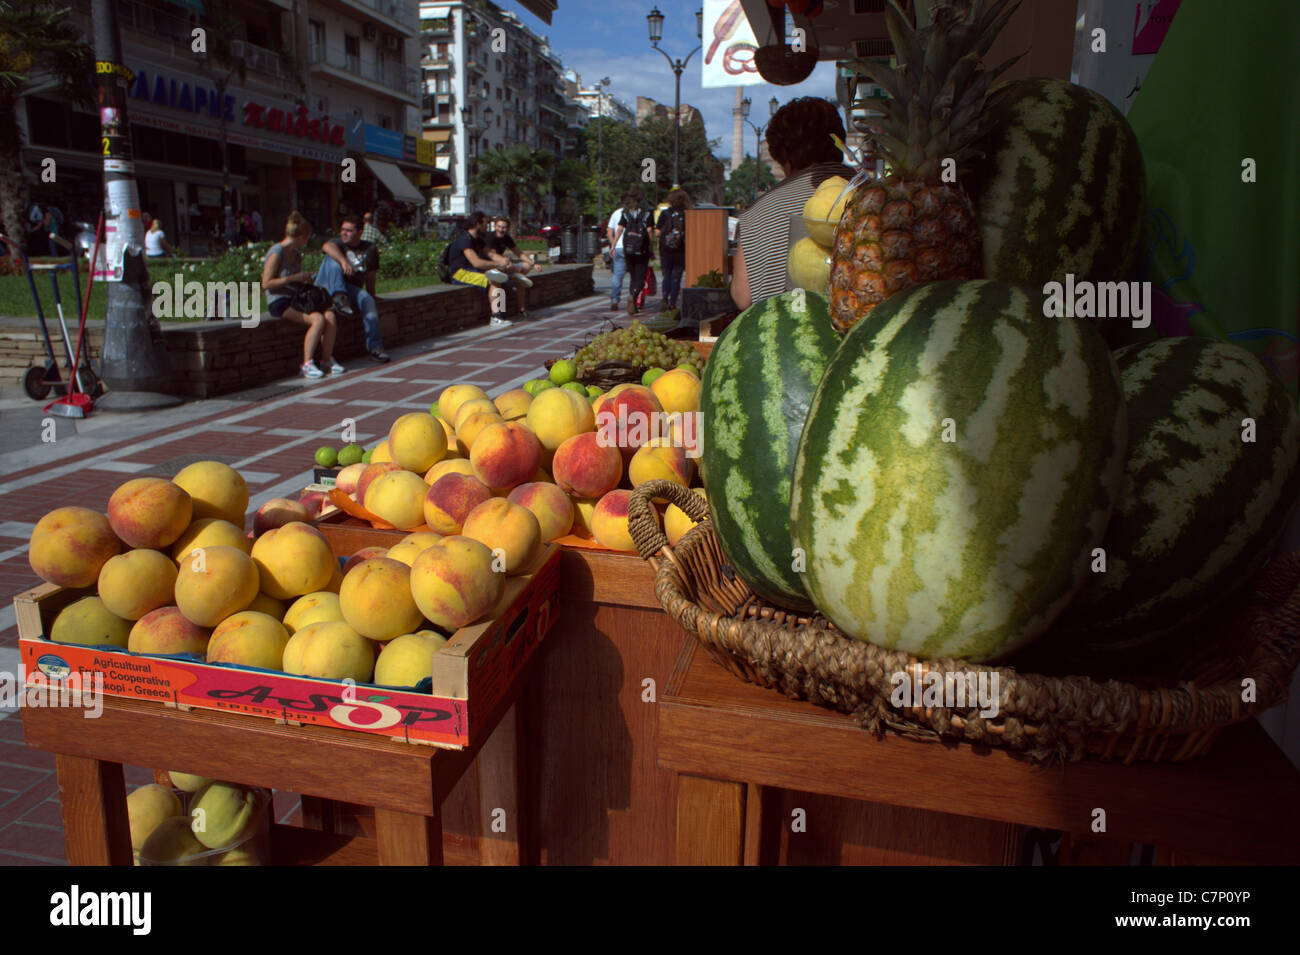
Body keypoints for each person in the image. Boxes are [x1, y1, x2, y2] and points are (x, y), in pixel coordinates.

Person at [731, 98, 856, 310]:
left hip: (780, 336)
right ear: (838, 142)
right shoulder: (874, 196)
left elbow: (744, 297)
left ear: (783, 156)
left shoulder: (759, 211)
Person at [261, 211, 342, 379]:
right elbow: (266, 283)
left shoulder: (297, 254)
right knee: (317, 320)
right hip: (279, 300)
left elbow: (294, 281)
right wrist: (293, 277)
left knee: (330, 316)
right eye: (307, 238)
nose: (307, 241)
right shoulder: (277, 252)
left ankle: (326, 360)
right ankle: (306, 363)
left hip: (296, 297)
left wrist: (303, 279)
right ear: (300, 236)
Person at [316, 214, 389, 362]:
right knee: (331, 258)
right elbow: (326, 246)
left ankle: (375, 348)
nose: (343, 233)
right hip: (326, 286)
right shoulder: (338, 243)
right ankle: (339, 297)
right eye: (342, 229)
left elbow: (370, 276)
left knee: (368, 301)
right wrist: (343, 261)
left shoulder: (370, 249)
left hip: (350, 289)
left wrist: (371, 295)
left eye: (349, 230)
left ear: (360, 232)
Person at [446, 211, 512, 327]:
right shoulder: (464, 239)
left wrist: (504, 261)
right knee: (495, 280)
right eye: (485, 224)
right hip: (460, 273)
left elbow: (491, 255)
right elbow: (476, 263)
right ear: (478, 224)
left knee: (500, 275)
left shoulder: (477, 239)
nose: (487, 227)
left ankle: (499, 314)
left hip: (470, 271)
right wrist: (497, 265)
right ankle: (496, 317)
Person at [608, 187, 653, 314]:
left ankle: (624, 299)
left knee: (631, 275)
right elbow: (649, 231)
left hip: (627, 248)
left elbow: (619, 229)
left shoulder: (625, 213)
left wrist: (613, 245)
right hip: (641, 249)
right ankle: (633, 296)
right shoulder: (647, 213)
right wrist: (651, 248)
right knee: (640, 277)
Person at [487, 216, 539, 319]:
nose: (501, 229)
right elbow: (493, 256)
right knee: (497, 281)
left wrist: (533, 264)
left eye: (504, 227)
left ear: (508, 228)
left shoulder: (506, 238)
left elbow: (519, 253)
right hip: (489, 266)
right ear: (495, 226)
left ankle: (522, 310)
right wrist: (507, 265)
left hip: (503, 266)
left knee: (525, 267)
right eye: (499, 226)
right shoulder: (490, 237)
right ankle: (496, 316)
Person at [654, 188, 692, 311]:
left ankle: (664, 297)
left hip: (666, 250)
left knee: (667, 275)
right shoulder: (687, 214)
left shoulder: (665, 213)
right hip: (680, 249)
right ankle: (673, 302)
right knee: (676, 276)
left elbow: (657, 232)